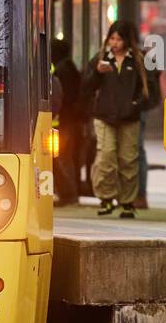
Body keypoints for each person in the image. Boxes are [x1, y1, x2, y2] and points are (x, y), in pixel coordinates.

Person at [83, 20, 157, 219]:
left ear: (128, 40)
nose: (114, 43)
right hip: (104, 115)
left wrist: (136, 105)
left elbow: (150, 89)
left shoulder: (138, 60)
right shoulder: (100, 58)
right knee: (106, 155)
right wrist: (98, 73)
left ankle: (127, 201)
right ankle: (106, 197)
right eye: (112, 38)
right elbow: (86, 87)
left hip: (129, 117)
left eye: (119, 39)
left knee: (128, 159)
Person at [50, 38, 83, 207]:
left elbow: (64, 97)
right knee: (65, 157)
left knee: (63, 157)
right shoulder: (68, 66)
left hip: (65, 121)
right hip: (70, 120)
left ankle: (68, 194)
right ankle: (68, 192)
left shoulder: (62, 69)